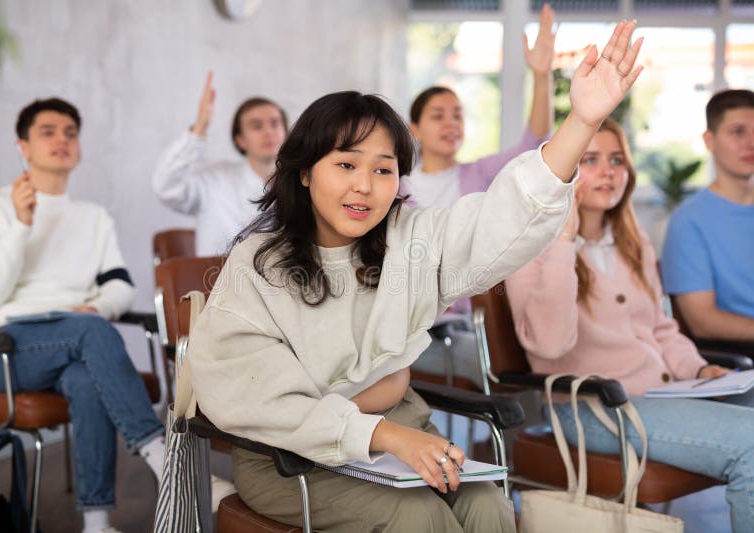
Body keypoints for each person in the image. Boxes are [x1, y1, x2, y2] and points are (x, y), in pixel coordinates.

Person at [187, 20, 642, 532]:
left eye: (384, 170)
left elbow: (501, 220)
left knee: (488, 505)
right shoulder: (258, 265)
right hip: (290, 460)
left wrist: (580, 123)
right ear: (306, 170)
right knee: (418, 517)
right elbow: (250, 399)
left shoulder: (408, 240)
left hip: (404, 432)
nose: (365, 186)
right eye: (346, 164)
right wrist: (380, 425)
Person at [505, 118, 754, 532]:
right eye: (591, 160)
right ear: (564, 170)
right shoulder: (532, 248)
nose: (608, 171)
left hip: (660, 393)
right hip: (592, 409)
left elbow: (662, 329)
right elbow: (548, 344)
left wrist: (699, 369)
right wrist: (564, 241)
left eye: (617, 160)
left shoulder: (632, 241)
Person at [0, 98, 165, 533]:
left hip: (77, 340)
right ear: (23, 146)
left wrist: (99, 306)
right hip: (8, 349)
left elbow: (120, 283)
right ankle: (164, 459)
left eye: (70, 132)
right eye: (48, 131)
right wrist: (20, 224)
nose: (62, 140)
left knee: (86, 378)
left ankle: (96, 522)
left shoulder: (92, 217)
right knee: (90, 333)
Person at [406, 3, 556, 387]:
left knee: (514, 367)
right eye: (438, 115)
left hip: (474, 322)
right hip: (418, 326)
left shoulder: (481, 173)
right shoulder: (396, 187)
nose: (451, 123)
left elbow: (535, 144)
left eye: (457, 114)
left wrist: (541, 76)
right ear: (415, 129)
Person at [152, 71, 289, 256]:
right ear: (240, 140)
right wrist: (199, 128)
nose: (268, 132)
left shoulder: (301, 183)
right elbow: (166, 187)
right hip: (218, 281)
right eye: (257, 126)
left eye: (275, 124)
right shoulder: (213, 180)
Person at [661, 88, 754, 343]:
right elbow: (702, 321)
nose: (751, 143)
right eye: (738, 132)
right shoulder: (688, 221)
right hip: (739, 362)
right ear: (709, 141)